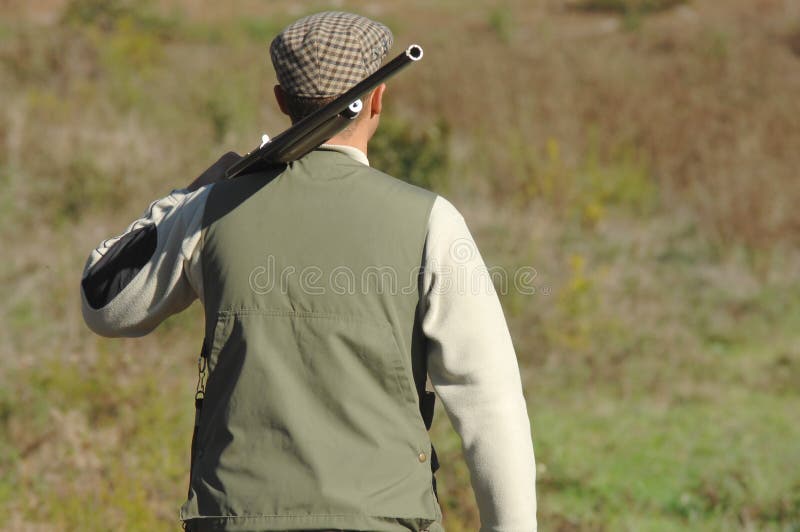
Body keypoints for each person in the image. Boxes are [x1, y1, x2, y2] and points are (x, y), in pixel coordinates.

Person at [80, 11, 537, 532]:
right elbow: (489, 399)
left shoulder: (207, 210)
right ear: (380, 99)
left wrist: (200, 189)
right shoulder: (432, 220)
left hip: (235, 518)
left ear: (281, 101)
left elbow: (106, 303)